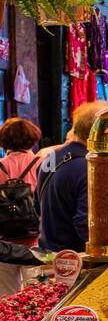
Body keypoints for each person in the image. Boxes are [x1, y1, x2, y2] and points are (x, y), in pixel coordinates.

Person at [38, 101, 108, 253]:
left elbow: (37, 206)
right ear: (102, 132)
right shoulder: (89, 166)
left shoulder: (51, 156)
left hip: (48, 253)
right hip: (74, 259)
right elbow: (84, 224)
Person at [0, 118, 46, 293]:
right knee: (37, 296)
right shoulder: (42, 165)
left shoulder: (1, 166)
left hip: (4, 244)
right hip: (35, 242)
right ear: (33, 138)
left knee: (5, 300)